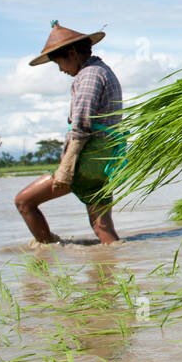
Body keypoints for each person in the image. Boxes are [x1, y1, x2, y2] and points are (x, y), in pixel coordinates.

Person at [15, 21, 123, 245]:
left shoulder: (88, 76)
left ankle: (50, 252)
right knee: (103, 228)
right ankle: (117, 265)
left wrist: (66, 167)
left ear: (72, 53)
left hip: (87, 160)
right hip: (102, 161)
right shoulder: (103, 71)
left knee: (24, 202)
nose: (61, 70)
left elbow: (81, 125)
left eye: (59, 63)